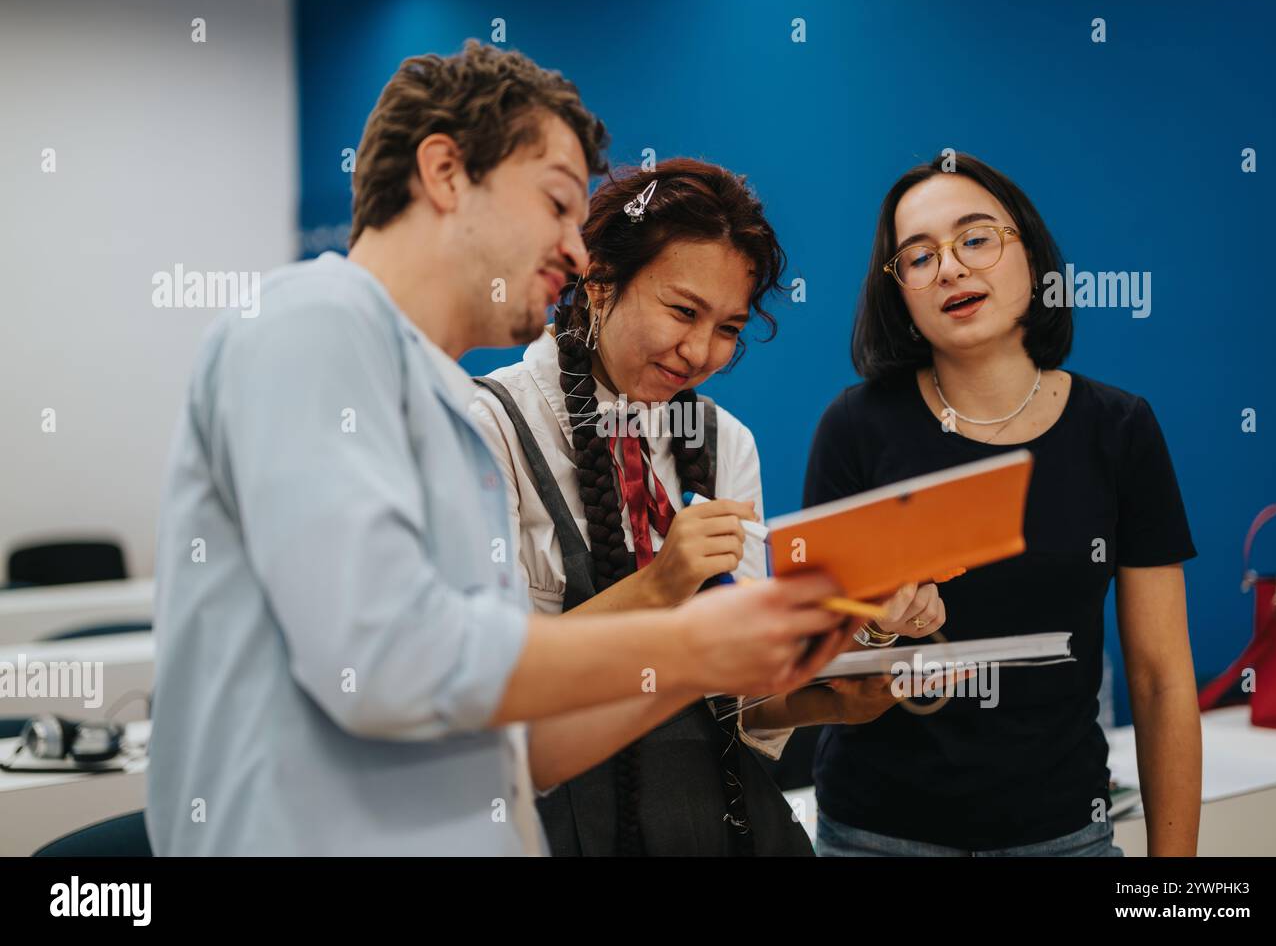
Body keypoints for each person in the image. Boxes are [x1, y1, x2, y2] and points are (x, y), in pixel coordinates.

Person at [146, 42, 848, 856]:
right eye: (555, 203)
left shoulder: (444, 409)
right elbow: (387, 662)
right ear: (445, 172)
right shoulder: (314, 320)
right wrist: (688, 635)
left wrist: (742, 654)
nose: (578, 251)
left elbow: (524, 748)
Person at [471, 160, 946, 855]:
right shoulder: (490, 428)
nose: (700, 352)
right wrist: (660, 586)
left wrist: (848, 671)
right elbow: (487, 689)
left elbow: (741, 705)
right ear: (600, 281)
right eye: (682, 311)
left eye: (728, 327)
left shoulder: (726, 444)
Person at [806, 151, 1201, 857]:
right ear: (898, 292)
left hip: (1064, 836)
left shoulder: (1120, 429)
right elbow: (818, 669)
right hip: (876, 838)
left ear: (1031, 253)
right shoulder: (856, 428)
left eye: (976, 238)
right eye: (918, 257)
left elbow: (1162, 679)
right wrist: (878, 631)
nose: (951, 268)